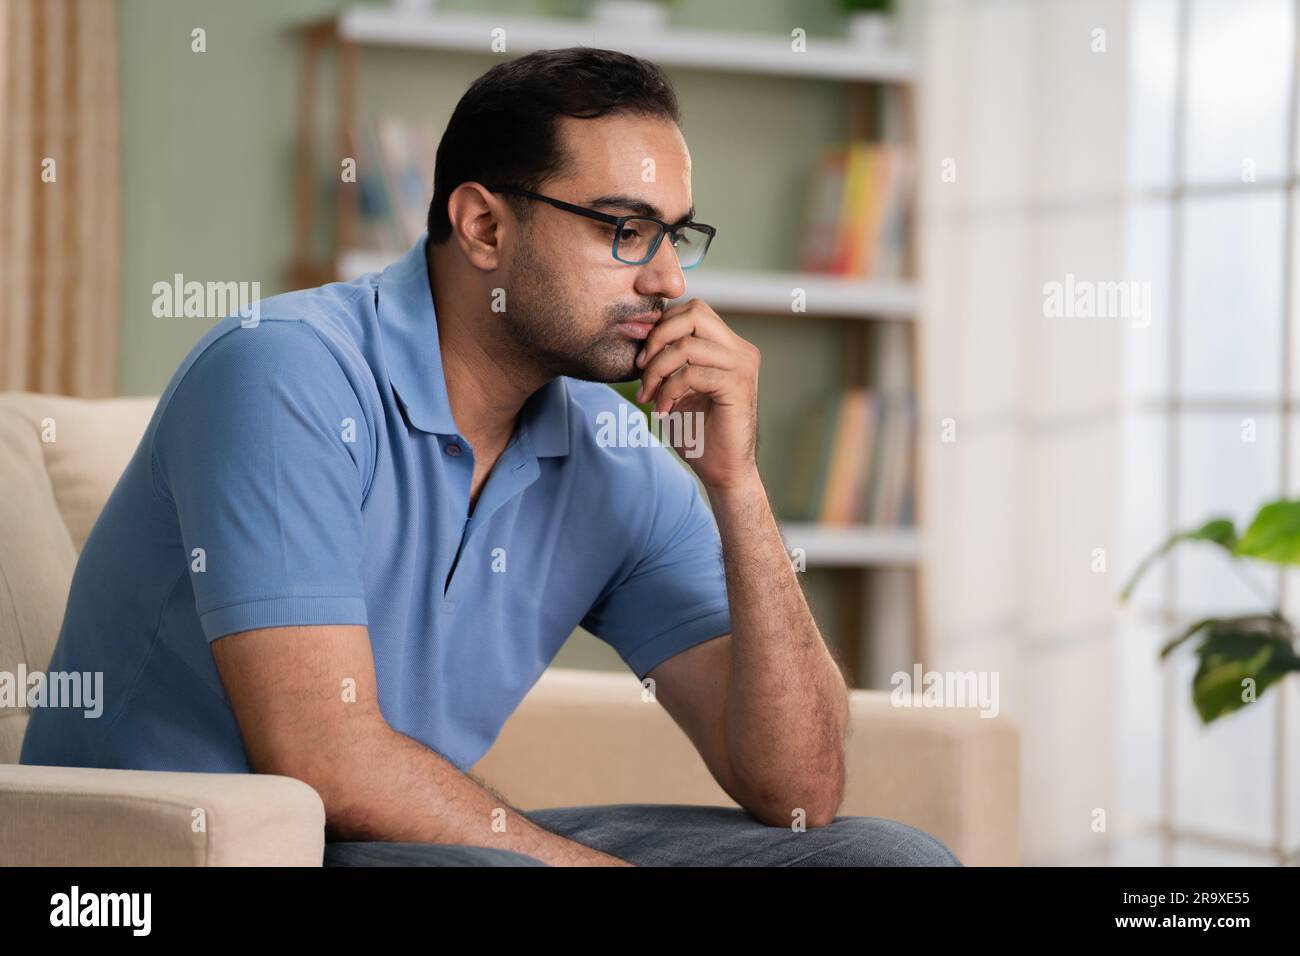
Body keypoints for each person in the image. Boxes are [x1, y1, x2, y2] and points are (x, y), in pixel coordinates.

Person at [22, 47, 960, 867]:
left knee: (881, 857)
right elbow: (323, 763)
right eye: (625, 230)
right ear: (483, 227)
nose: (669, 279)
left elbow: (800, 790)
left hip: (400, 840)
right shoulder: (285, 373)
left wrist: (736, 483)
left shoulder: (609, 458)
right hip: (203, 843)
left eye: (676, 236)